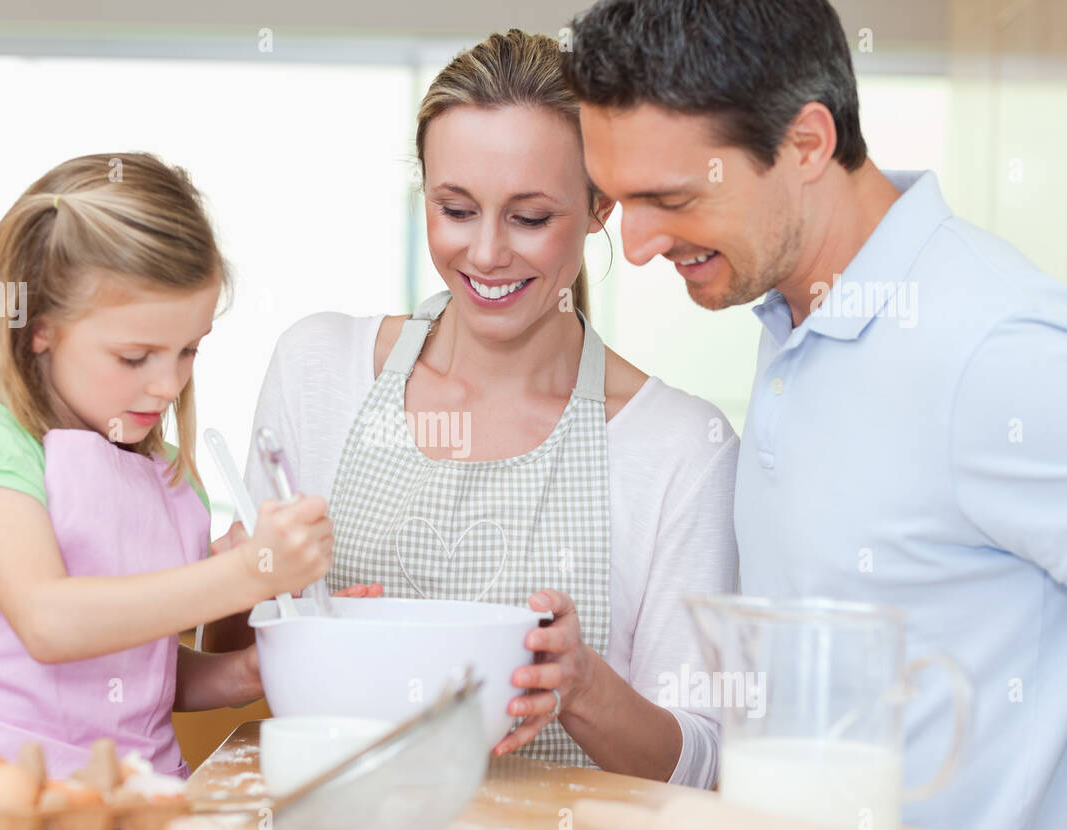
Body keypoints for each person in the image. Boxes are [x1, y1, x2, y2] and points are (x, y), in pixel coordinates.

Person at [564, 0, 1067, 830]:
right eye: (618, 201)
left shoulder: (994, 348)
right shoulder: (794, 317)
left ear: (806, 144)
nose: (638, 244)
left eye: (669, 198)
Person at [234, 30, 739, 784]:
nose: (488, 253)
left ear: (601, 205)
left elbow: (701, 763)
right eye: (457, 209)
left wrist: (586, 689)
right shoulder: (317, 368)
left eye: (531, 217)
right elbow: (236, 650)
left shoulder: (679, 446)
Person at [0, 153, 335, 804]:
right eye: (135, 356)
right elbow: (51, 624)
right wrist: (243, 574)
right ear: (39, 332)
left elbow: (139, 675)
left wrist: (261, 665)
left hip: (133, 800)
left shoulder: (168, 479)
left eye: (189, 349)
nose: (168, 384)